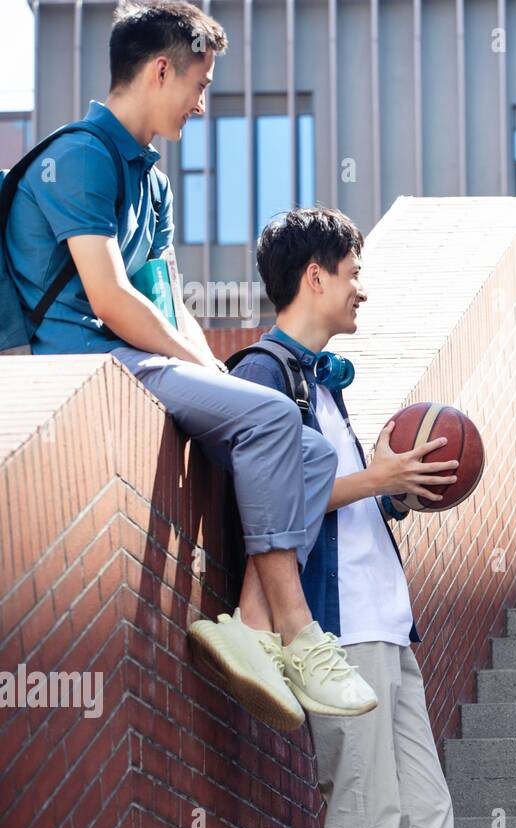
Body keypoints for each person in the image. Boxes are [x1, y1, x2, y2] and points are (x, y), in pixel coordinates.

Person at [3, 0, 375, 731]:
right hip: (92, 363)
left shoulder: (155, 182)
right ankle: (297, 634)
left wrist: (220, 378)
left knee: (301, 446)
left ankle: (251, 626)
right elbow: (110, 298)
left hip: (143, 359)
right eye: (200, 86)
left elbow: (171, 304)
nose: (202, 107)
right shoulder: (80, 156)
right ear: (162, 69)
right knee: (273, 417)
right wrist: (212, 379)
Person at [229, 207, 456, 828]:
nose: (362, 288)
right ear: (315, 278)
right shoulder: (263, 375)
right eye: (353, 274)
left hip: (387, 623)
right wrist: (373, 476)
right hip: (339, 629)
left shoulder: (321, 384)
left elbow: (332, 506)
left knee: (427, 809)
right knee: (368, 806)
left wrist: (390, 491)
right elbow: (263, 505)